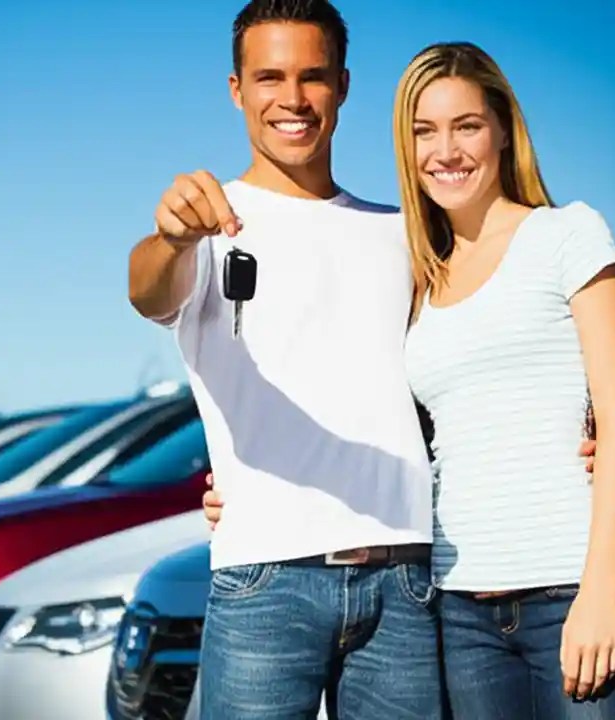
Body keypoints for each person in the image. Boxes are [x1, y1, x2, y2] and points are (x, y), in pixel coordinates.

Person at [201, 40, 615, 719]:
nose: (445, 151)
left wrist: (600, 591)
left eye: (467, 126)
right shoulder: (423, 274)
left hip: (573, 592)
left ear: (504, 130)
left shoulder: (569, 235)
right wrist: (245, 484)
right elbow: (389, 415)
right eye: (425, 132)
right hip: (460, 609)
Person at [128, 1, 444, 718]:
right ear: (237, 89)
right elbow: (147, 290)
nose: (293, 99)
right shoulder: (206, 224)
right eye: (269, 77)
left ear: (344, 85)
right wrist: (173, 238)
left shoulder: (403, 234)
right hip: (264, 581)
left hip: (405, 581)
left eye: (313, 76)